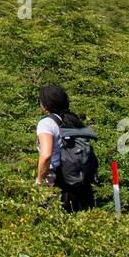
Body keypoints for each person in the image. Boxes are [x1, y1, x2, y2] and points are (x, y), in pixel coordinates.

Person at [35, 84, 96, 212]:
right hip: (79, 181)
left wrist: (39, 181)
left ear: (45, 104)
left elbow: (46, 155)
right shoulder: (73, 121)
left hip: (57, 181)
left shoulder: (46, 123)